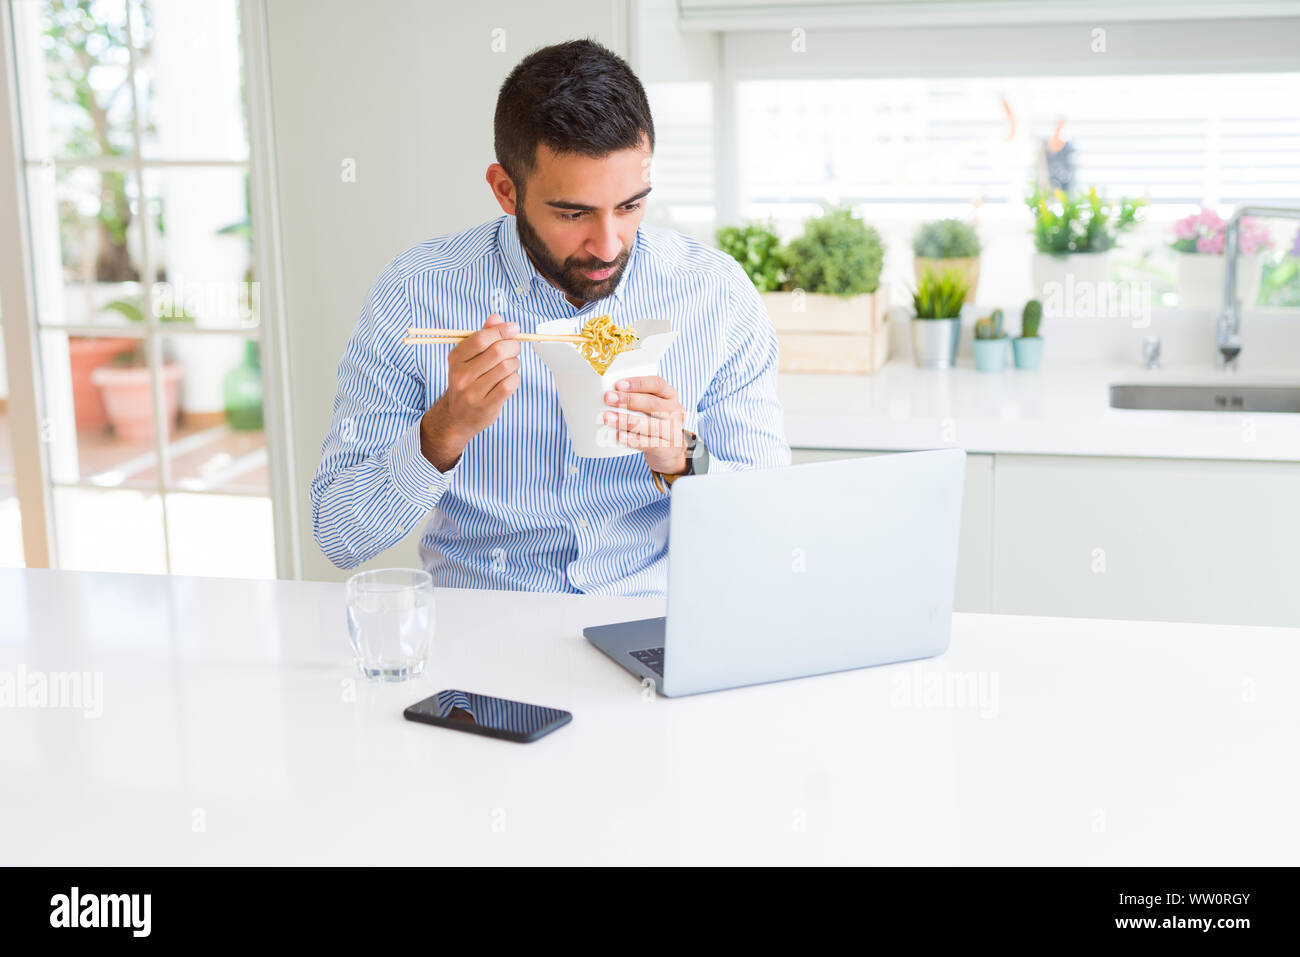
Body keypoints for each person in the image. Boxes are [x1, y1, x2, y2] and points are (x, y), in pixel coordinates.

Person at [310, 37, 791, 596]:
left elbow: (770, 525)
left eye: (630, 205)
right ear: (506, 190)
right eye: (573, 213)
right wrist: (444, 430)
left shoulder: (713, 294)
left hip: (649, 627)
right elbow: (340, 534)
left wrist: (681, 458)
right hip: (482, 636)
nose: (609, 245)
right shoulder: (418, 293)